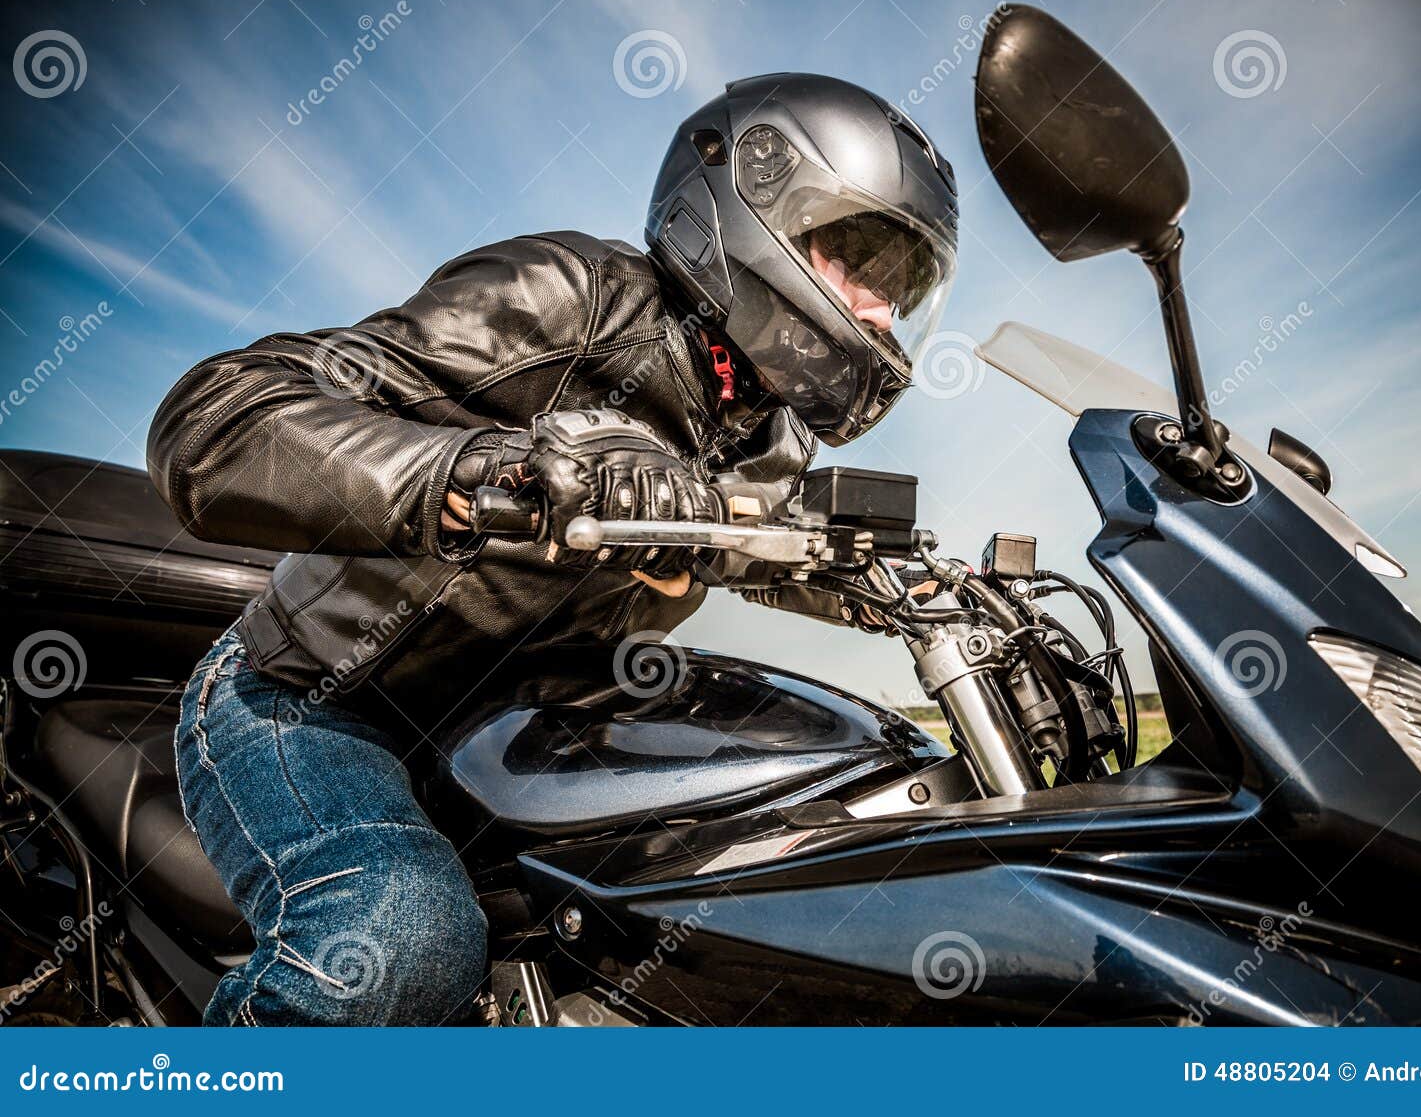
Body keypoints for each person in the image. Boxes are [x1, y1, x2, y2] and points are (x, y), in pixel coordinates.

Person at [147, 72, 959, 1025]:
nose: (878, 317)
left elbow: (764, 546)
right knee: (402, 935)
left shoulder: (769, 436)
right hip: (310, 702)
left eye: (900, 291)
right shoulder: (571, 301)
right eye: (858, 261)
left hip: (516, 735)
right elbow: (213, 419)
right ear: (754, 203)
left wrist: (921, 584)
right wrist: (482, 471)